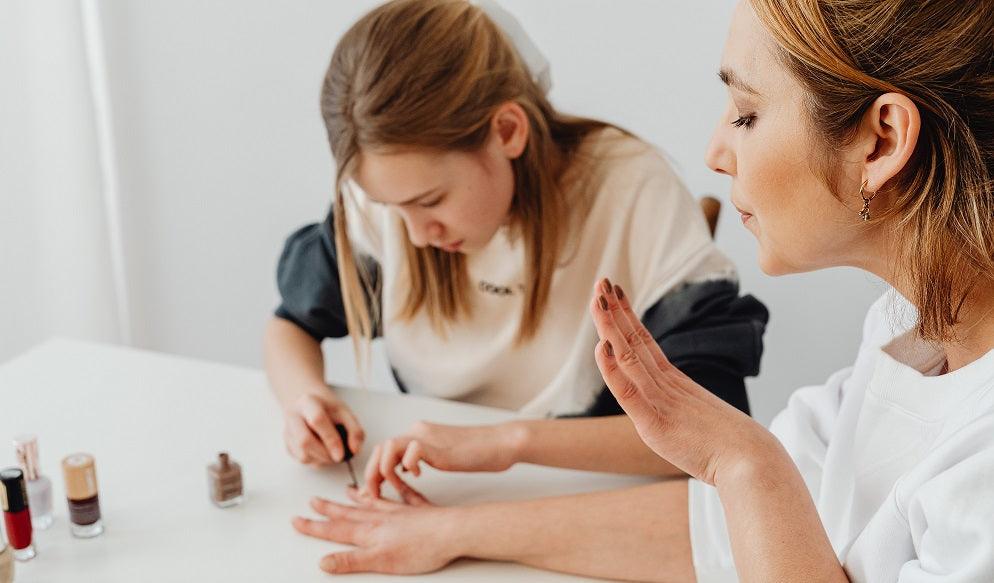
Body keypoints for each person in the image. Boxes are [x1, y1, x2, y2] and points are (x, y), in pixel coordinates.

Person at [292, 1, 994, 581]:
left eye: (746, 113)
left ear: (881, 142)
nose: (715, 152)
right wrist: (453, 531)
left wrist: (744, 463)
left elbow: (758, 495)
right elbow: (728, 531)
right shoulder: (907, 328)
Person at [264, 0, 767, 483]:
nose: (415, 235)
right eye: (394, 208)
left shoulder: (630, 191)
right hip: (444, 485)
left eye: (430, 201)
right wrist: (304, 399)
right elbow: (291, 324)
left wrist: (510, 442)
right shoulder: (388, 200)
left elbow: (715, 429)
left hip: (587, 491)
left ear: (507, 131)